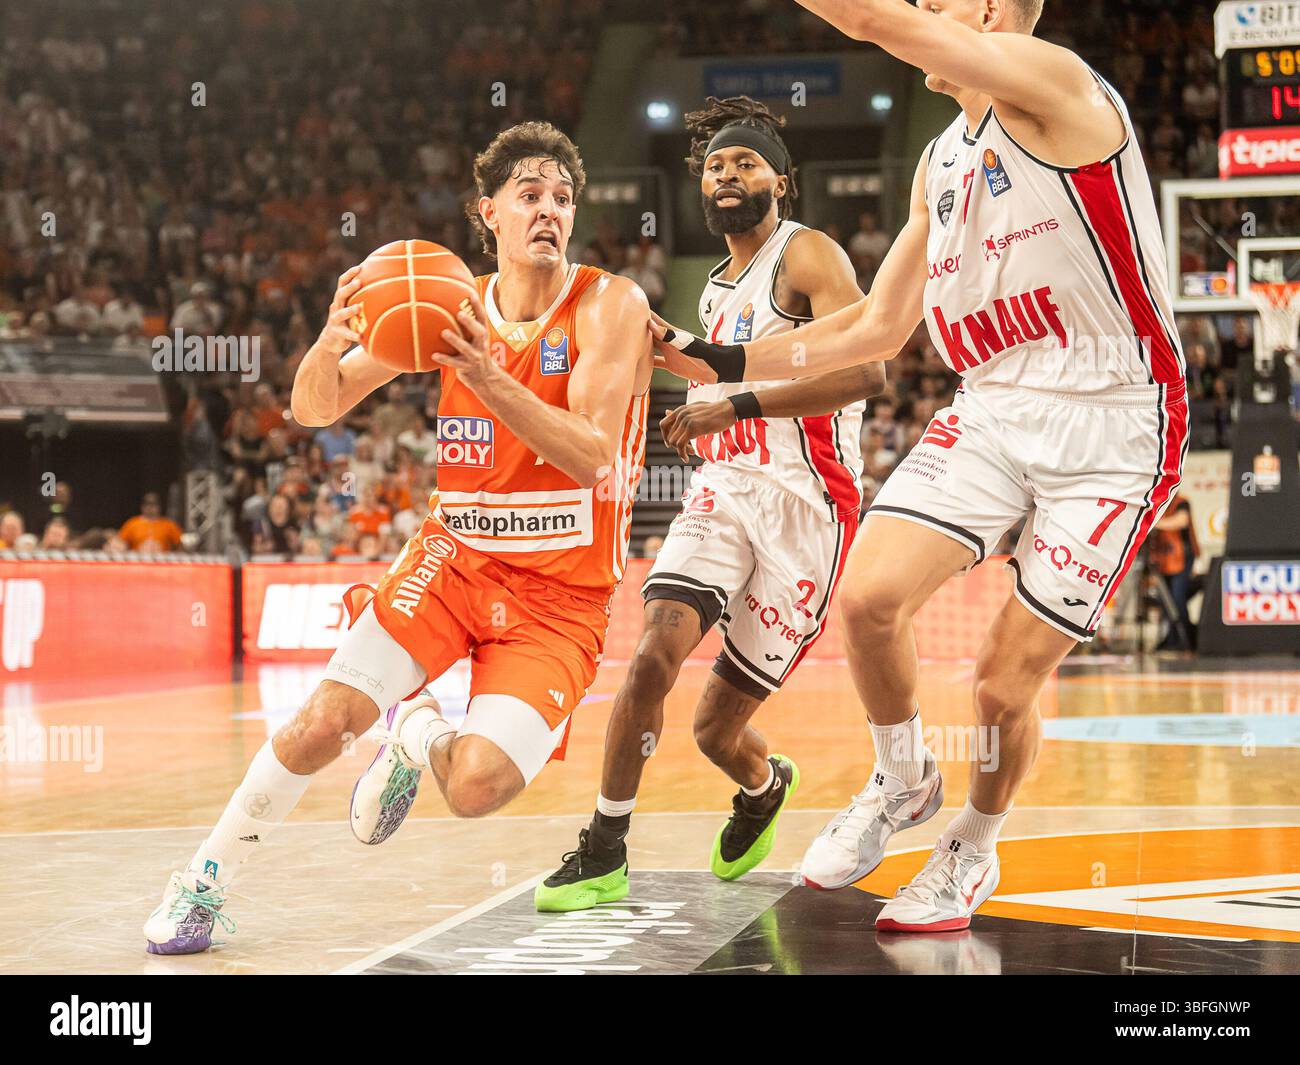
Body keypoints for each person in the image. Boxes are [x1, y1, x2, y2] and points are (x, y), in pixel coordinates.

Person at [651, 0, 1188, 932]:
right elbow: (872, 329)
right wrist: (711, 357)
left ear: (990, 11)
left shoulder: (1058, 86)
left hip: (1115, 420)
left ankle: (972, 844)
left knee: (1000, 685)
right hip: (995, 401)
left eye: (936, 1)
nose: (921, 12)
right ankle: (903, 777)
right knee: (867, 599)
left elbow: (876, 23)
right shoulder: (940, 161)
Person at [143, 120, 653, 955]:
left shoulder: (610, 303)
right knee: (322, 722)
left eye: (563, 197)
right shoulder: (445, 303)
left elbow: (594, 455)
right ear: (488, 212)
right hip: (454, 559)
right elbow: (314, 407)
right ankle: (204, 878)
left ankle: (414, 727)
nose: (549, 210)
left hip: (561, 596)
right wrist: (328, 345)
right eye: (529, 194)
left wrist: (486, 374)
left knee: (478, 786)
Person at [537, 95, 884, 912]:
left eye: (746, 163)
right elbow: (721, 365)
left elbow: (865, 371)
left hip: (808, 509)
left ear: (781, 182)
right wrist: (661, 350)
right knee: (651, 657)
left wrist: (734, 404)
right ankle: (604, 845)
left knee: (713, 732)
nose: (727, 174)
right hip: (724, 491)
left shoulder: (809, 255)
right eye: (715, 165)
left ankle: (764, 785)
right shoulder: (716, 288)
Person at [1149, 491, 1198, 650]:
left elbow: (1182, 521)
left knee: (1177, 599)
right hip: (1163, 558)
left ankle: (1186, 639)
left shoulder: (1181, 502)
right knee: (1165, 601)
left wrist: (1154, 523)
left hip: (1181, 557)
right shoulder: (1156, 503)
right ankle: (1172, 639)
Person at [118, 493, 184, 553]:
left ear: (159, 507)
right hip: (138, 560)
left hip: (162, 560)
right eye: (147, 504)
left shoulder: (168, 524)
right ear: (142, 507)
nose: (150, 508)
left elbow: (180, 544)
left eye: (153, 505)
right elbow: (120, 543)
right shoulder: (132, 523)